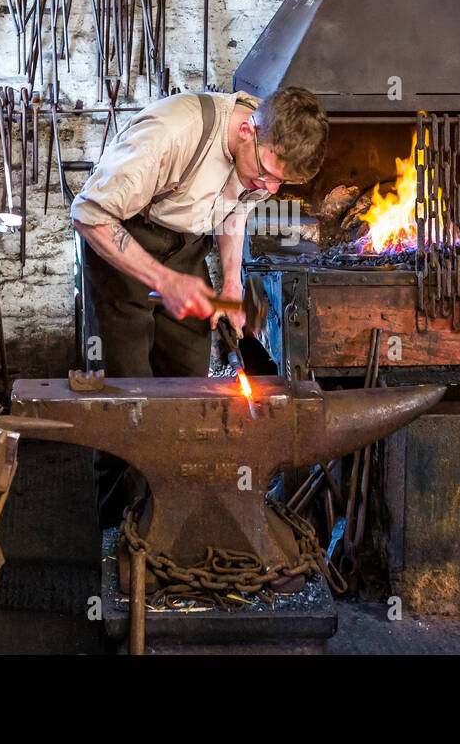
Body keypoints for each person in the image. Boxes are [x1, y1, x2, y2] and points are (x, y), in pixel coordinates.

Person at [71, 86, 328, 526]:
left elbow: (233, 212)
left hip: (185, 248)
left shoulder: (263, 161)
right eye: (266, 174)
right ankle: (120, 537)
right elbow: (89, 213)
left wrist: (231, 285)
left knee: (188, 384)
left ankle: (170, 518)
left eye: (279, 183)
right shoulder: (175, 131)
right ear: (247, 129)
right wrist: (163, 280)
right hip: (122, 245)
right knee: (128, 397)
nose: (268, 187)